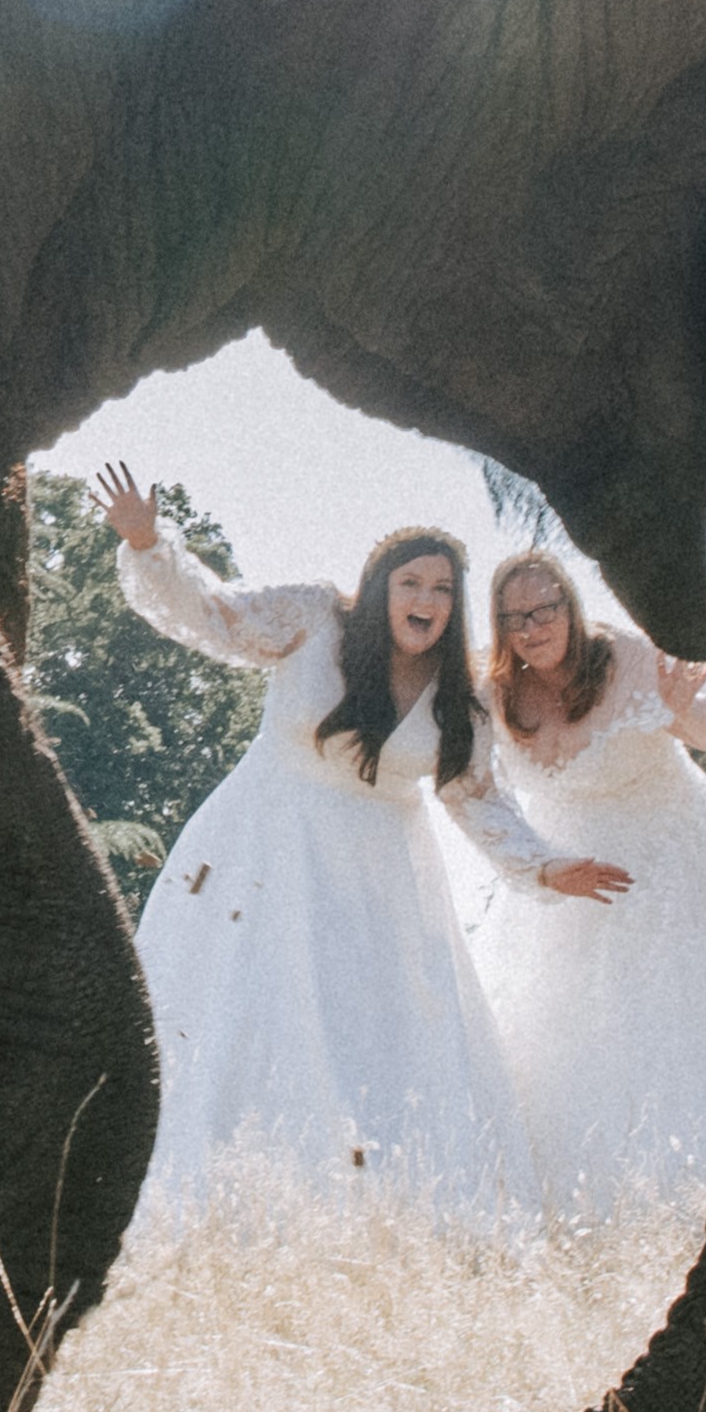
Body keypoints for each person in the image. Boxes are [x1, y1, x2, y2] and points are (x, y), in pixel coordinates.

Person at [101, 473, 621, 1229]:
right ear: (380, 586)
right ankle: (221, 1202)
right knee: (250, 1014)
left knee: (367, 1034)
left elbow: (477, 801)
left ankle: (376, 1212)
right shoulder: (315, 617)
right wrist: (151, 546)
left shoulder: (460, 696)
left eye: (444, 587)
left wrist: (543, 864)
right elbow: (215, 616)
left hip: (379, 879)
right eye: (412, 581)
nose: (428, 599)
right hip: (265, 846)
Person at [470, 546, 706, 1211]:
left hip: (670, 874)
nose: (532, 627)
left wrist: (679, 714)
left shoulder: (628, 656)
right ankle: (576, 1200)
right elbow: (469, 788)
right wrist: (539, 866)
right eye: (514, 616)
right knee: (567, 1040)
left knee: (678, 1027)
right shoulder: (494, 690)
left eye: (544, 609)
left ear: (571, 607)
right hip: (562, 890)